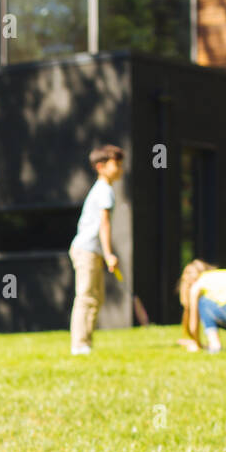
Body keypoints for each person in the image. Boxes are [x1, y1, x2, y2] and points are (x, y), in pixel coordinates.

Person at [69, 144, 124, 355]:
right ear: (100, 166)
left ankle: (86, 343)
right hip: (87, 250)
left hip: (92, 251)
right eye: (116, 164)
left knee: (96, 298)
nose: (120, 169)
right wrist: (109, 254)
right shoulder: (104, 191)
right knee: (86, 296)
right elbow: (104, 225)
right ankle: (79, 344)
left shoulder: (104, 190)